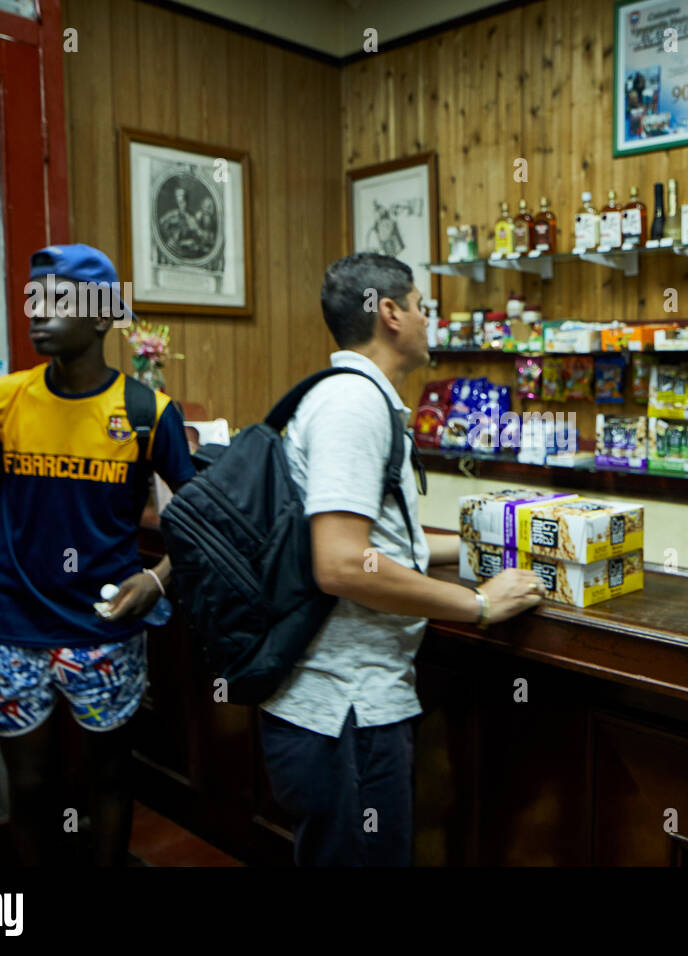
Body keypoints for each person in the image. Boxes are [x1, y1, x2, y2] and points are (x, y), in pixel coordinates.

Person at [0, 244, 195, 866]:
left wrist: (158, 578)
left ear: (102, 318)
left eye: (57, 302)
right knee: (30, 787)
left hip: (102, 630)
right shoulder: (5, 398)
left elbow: (201, 518)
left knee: (106, 782)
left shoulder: (146, 412)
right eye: (33, 300)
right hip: (10, 624)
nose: (36, 314)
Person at [258, 252, 544, 867]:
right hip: (344, 713)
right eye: (419, 305)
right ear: (388, 313)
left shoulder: (352, 397)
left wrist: (493, 543)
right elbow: (340, 563)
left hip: (343, 710)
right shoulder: (354, 406)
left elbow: (384, 546)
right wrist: (478, 605)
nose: (426, 318)